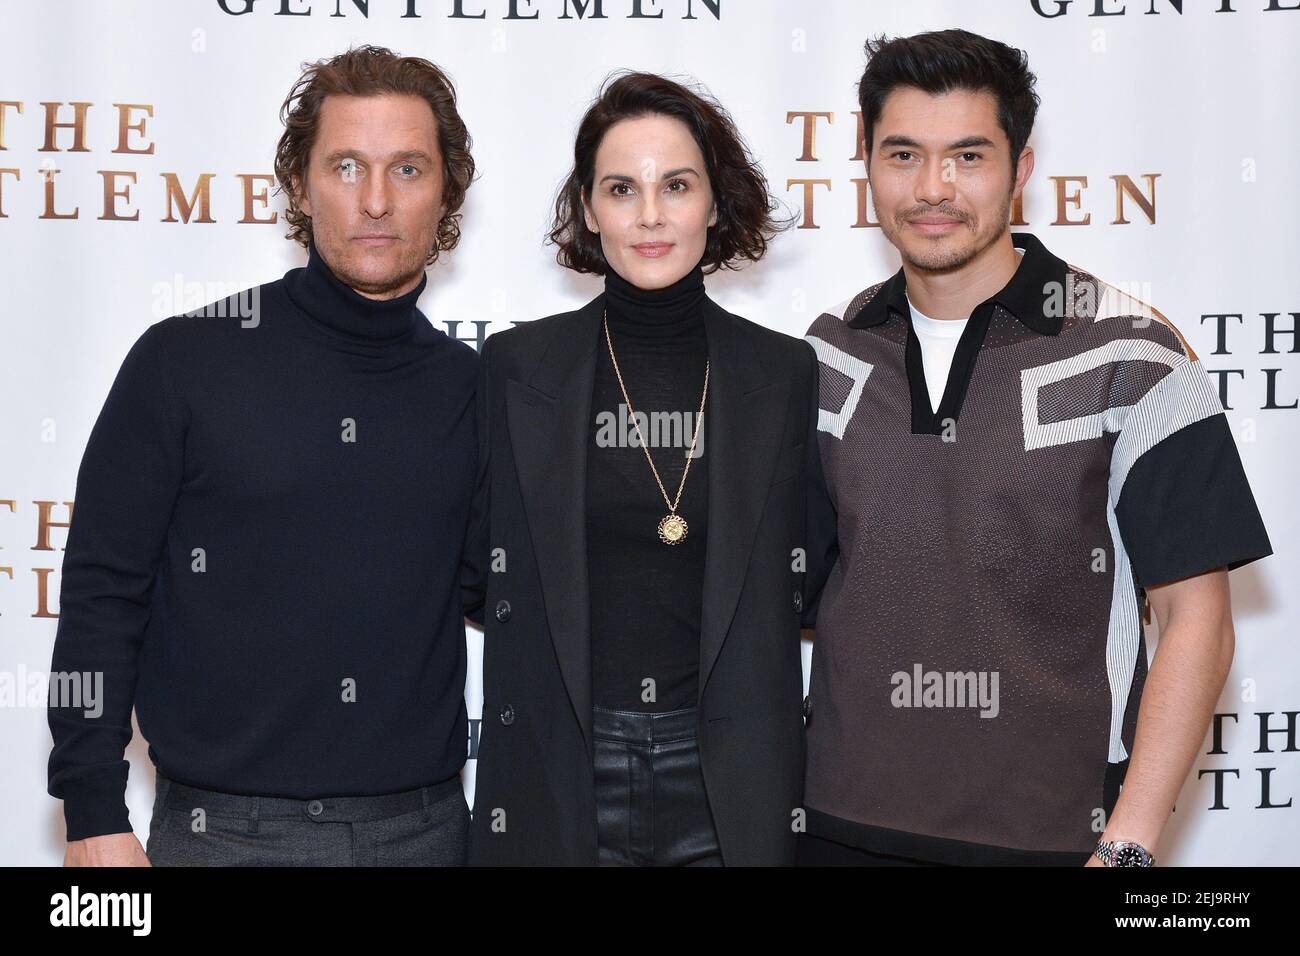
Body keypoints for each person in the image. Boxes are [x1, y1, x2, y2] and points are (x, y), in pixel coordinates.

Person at [798, 28, 1273, 867]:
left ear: (1020, 170)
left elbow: (1198, 624)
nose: (933, 188)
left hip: (1056, 842)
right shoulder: (828, 355)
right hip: (835, 830)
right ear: (865, 163)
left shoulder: (1134, 357)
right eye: (903, 153)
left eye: (968, 156)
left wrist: (1127, 848)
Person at [47, 45, 479, 866]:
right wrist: (90, 808)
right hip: (219, 837)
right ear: (297, 186)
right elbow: (103, 589)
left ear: (447, 193)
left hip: (426, 833)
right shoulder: (184, 360)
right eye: (346, 165)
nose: (377, 199)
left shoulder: (474, 387)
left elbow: (501, 589)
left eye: (409, 169)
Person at [462, 70, 819, 866]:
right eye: (622, 188)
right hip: (559, 772)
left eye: (677, 185)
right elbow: (479, 574)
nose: (650, 214)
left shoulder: (783, 374)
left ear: (715, 204)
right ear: (588, 210)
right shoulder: (518, 367)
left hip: (730, 780)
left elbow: (812, 572)